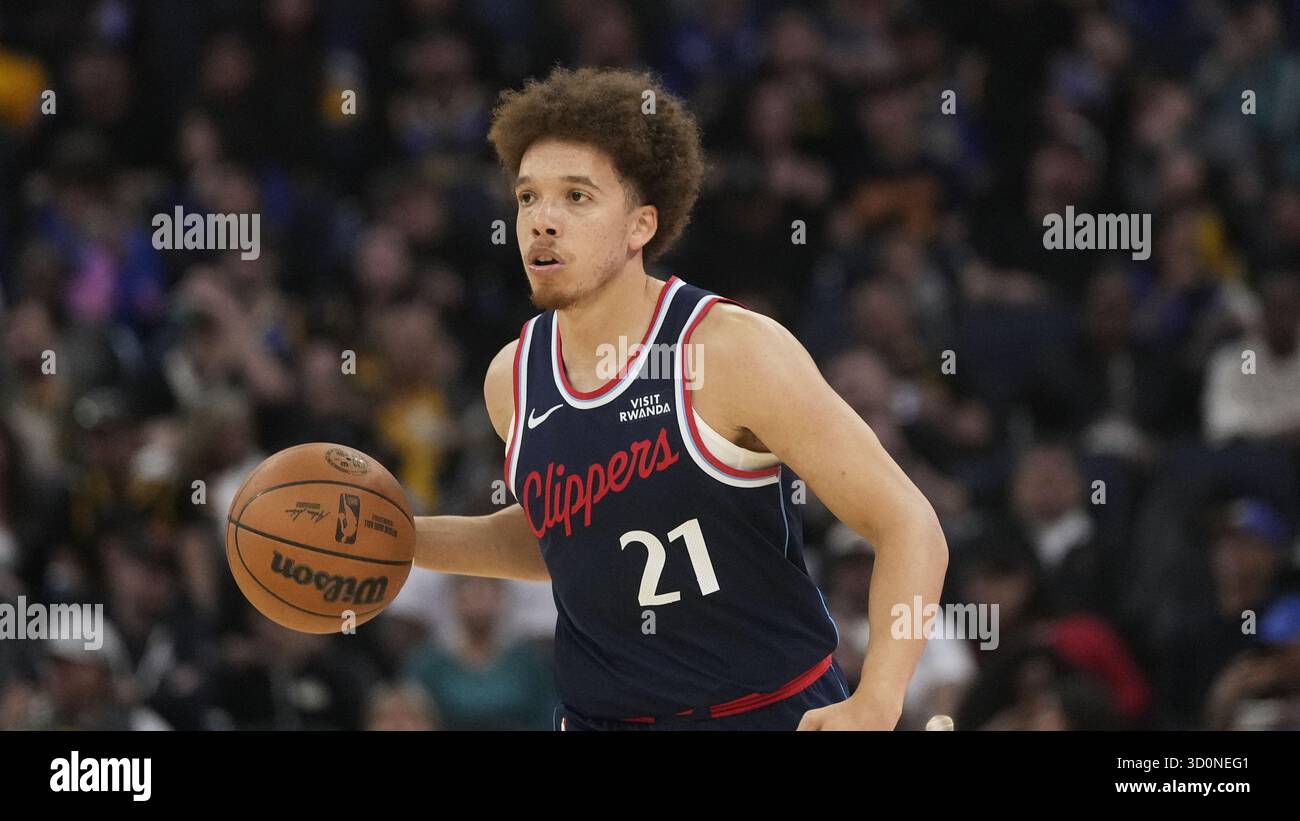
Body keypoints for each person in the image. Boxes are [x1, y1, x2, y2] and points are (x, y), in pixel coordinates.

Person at [411, 66, 948, 730]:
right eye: (528, 198)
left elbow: (909, 525)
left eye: (576, 197)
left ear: (640, 226)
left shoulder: (731, 351)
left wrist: (878, 699)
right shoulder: (512, 378)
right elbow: (572, 532)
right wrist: (402, 540)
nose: (542, 222)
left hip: (763, 711)